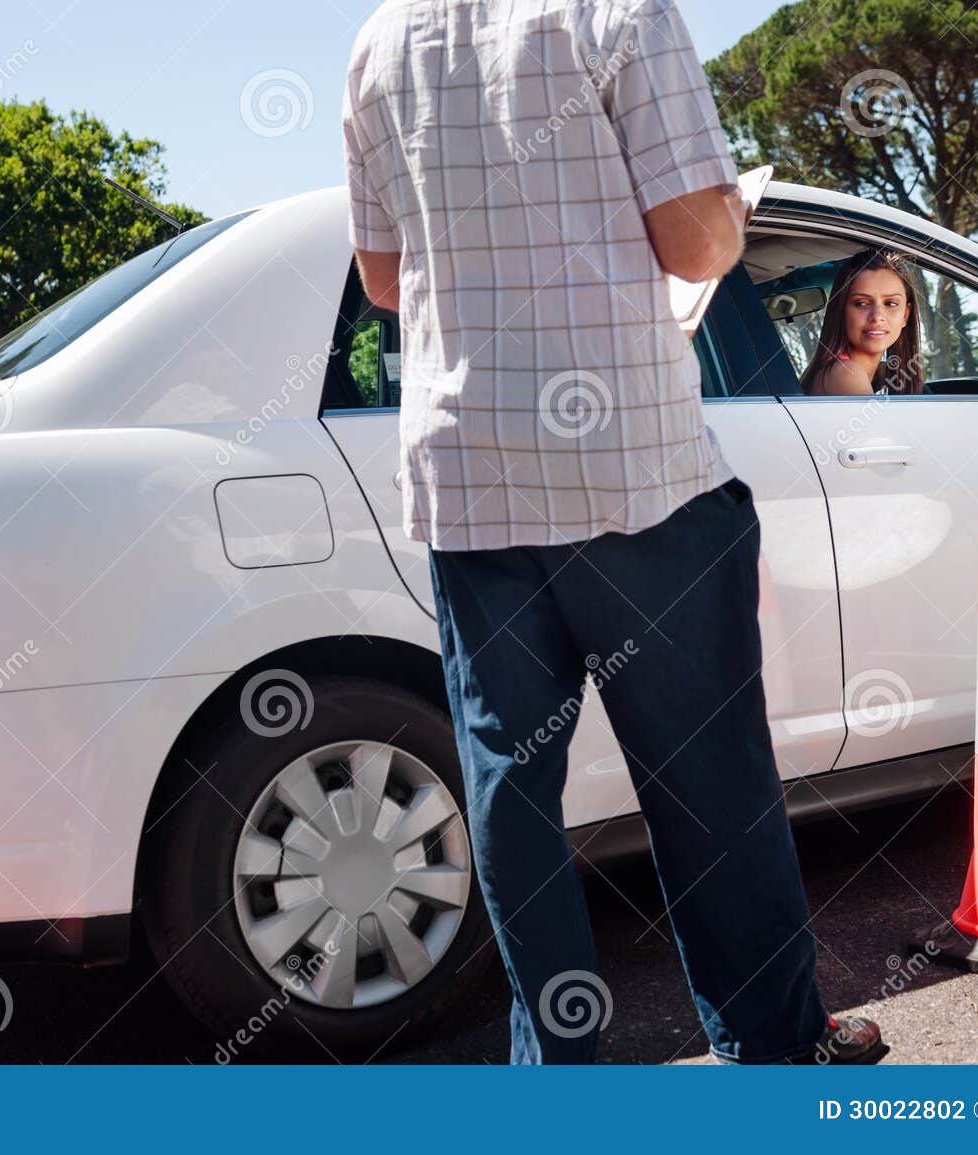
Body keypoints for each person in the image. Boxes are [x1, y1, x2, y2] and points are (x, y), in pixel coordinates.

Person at [342, 0, 886, 1065]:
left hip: (469, 477)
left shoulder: (376, 40)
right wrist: (725, 205)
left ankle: (557, 1074)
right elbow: (696, 240)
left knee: (509, 784)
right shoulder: (616, 9)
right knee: (706, 778)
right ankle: (774, 1045)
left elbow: (378, 278)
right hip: (628, 471)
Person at [800, 248, 925, 396]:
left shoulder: (874, 371)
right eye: (861, 303)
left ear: (905, 314)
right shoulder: (845, 374)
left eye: (890, 304)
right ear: (842, 311)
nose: (877, 316)